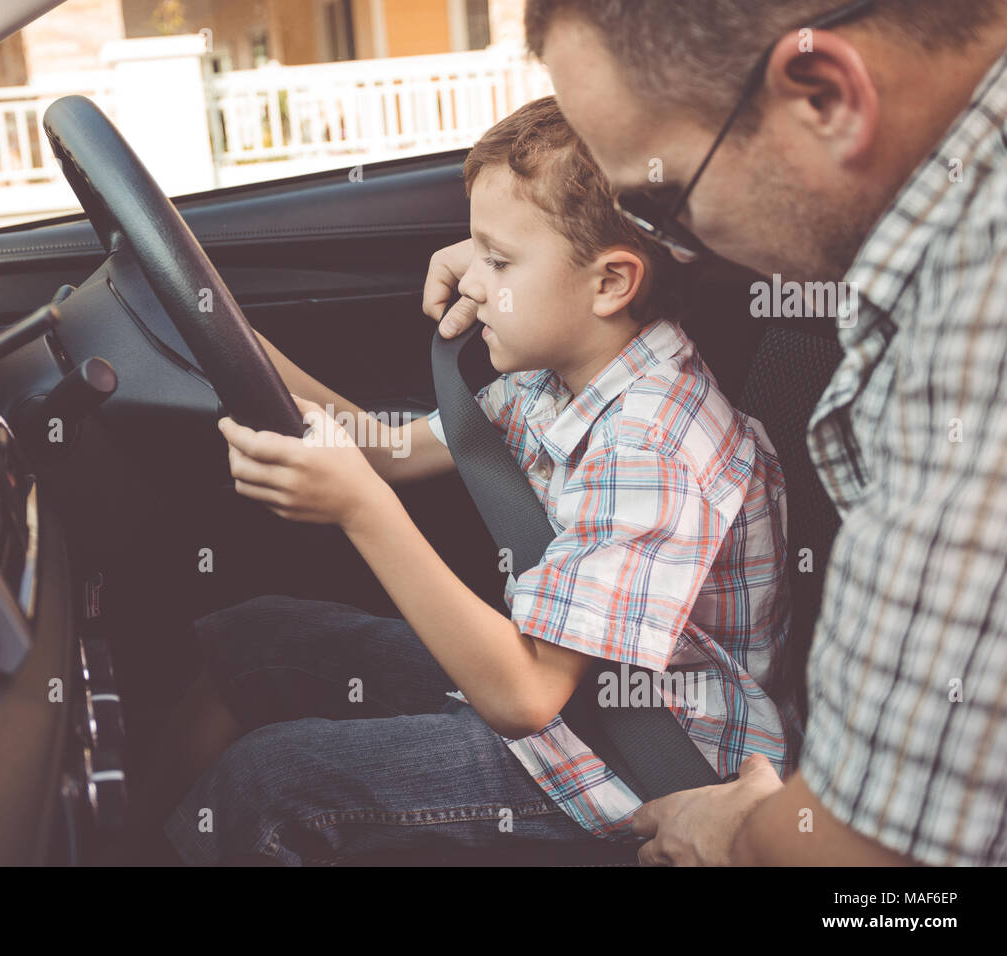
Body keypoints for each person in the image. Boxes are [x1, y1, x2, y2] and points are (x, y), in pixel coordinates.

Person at [421, 0, 1007, 866]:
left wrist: (736, 829)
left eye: (658, 200)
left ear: (824, 97)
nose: (671, 251)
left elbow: (879, 881)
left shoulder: (972, 344)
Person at [141, 96, 795, 865]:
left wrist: (361, 510)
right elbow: (387, 448)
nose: (470, 281)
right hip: (572, 701)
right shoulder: (561, 375)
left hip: (640, 762)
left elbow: (525, 697)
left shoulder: (650, 446)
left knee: (271, 780)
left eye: (498, 259)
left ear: (611, 283)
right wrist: (224, 332)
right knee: (251, 636)